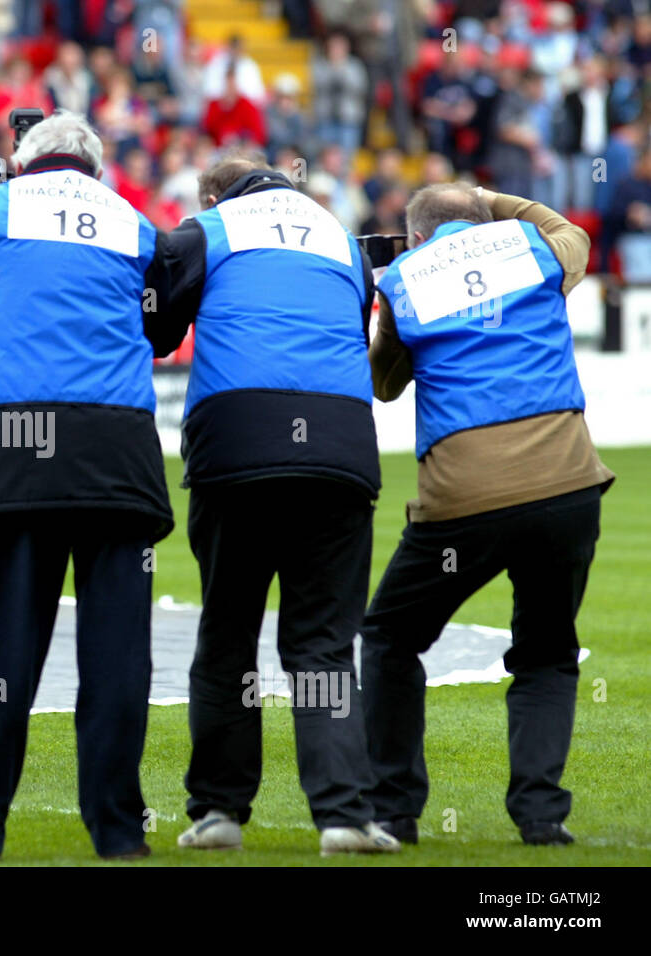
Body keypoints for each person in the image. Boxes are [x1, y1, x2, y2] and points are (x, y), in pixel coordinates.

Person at [0, 111, 174, 860]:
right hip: (117, 449)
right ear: (95, 167)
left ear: (20, 162)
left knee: (1, 650)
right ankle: (120, 834)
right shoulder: (135, 221)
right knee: (118, 656)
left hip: (14, 444)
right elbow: (162, 331)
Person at [154, 156, 401, 856]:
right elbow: (352, 332)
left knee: (228, 635)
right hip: (340, 448)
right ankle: (344, 816)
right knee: (323, 644)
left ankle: (220, 810)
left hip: (237, 444)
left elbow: (159, 331)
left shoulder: (208, 227)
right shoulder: (342, 240)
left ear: (213, 192)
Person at [364, 183, 614, 846]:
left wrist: (387, 301)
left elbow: (384, 385)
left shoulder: (405, 278)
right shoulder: (534, 249)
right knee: (547, 653)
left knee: (389, 640)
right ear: (486, 217)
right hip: (566, 486)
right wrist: (487, 198)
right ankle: (540, 817)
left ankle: (393, 810)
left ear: (417, 237)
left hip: (463, 498)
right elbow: (576, 234)